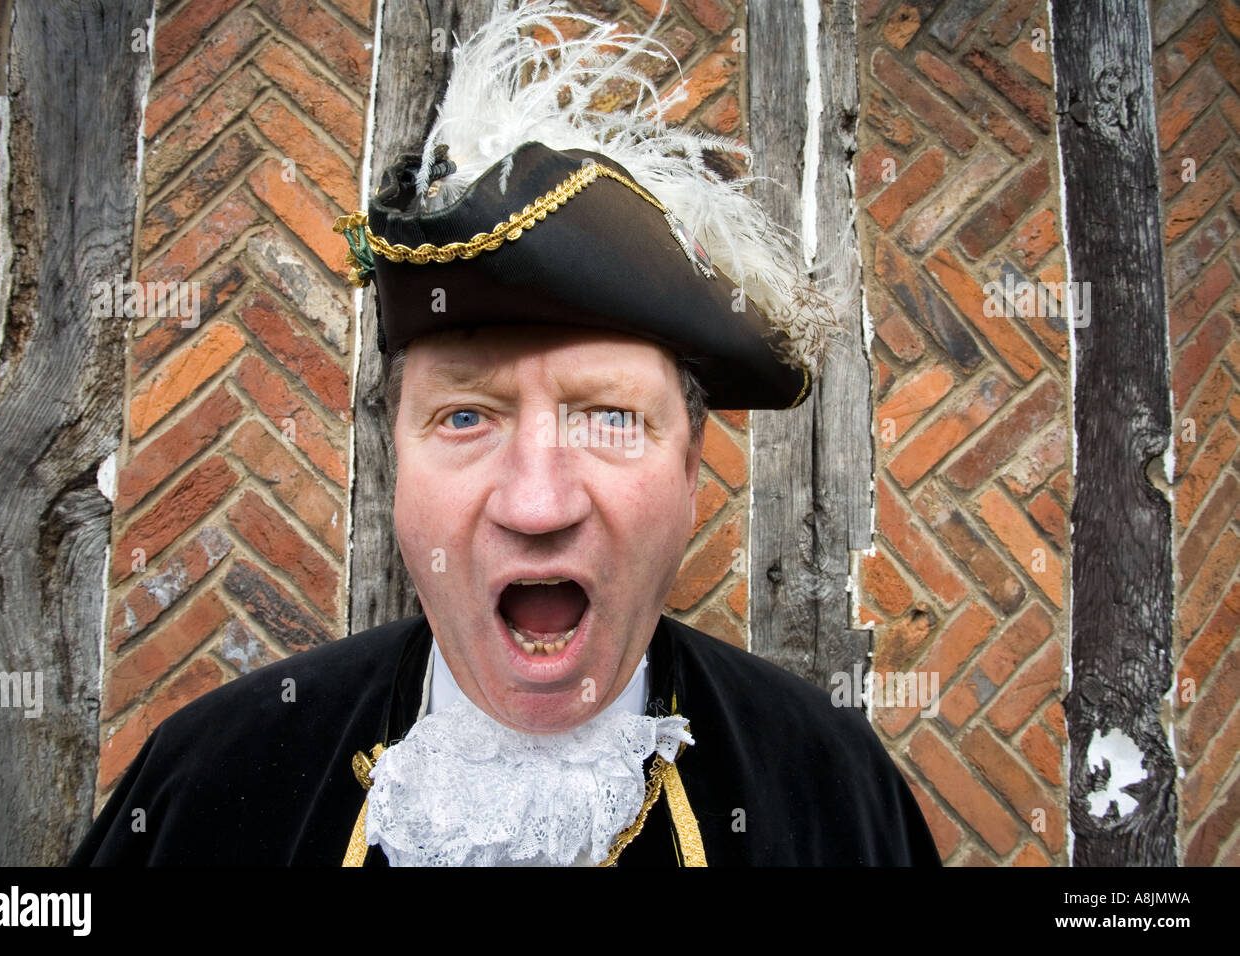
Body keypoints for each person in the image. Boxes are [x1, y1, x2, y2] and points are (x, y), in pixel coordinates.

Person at [71, 0, 939, 867]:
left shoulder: (836, 796)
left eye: (608, 417)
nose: (536, 502)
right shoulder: (209, 786)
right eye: (464, 417)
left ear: (692, 471)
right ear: (395, 466)